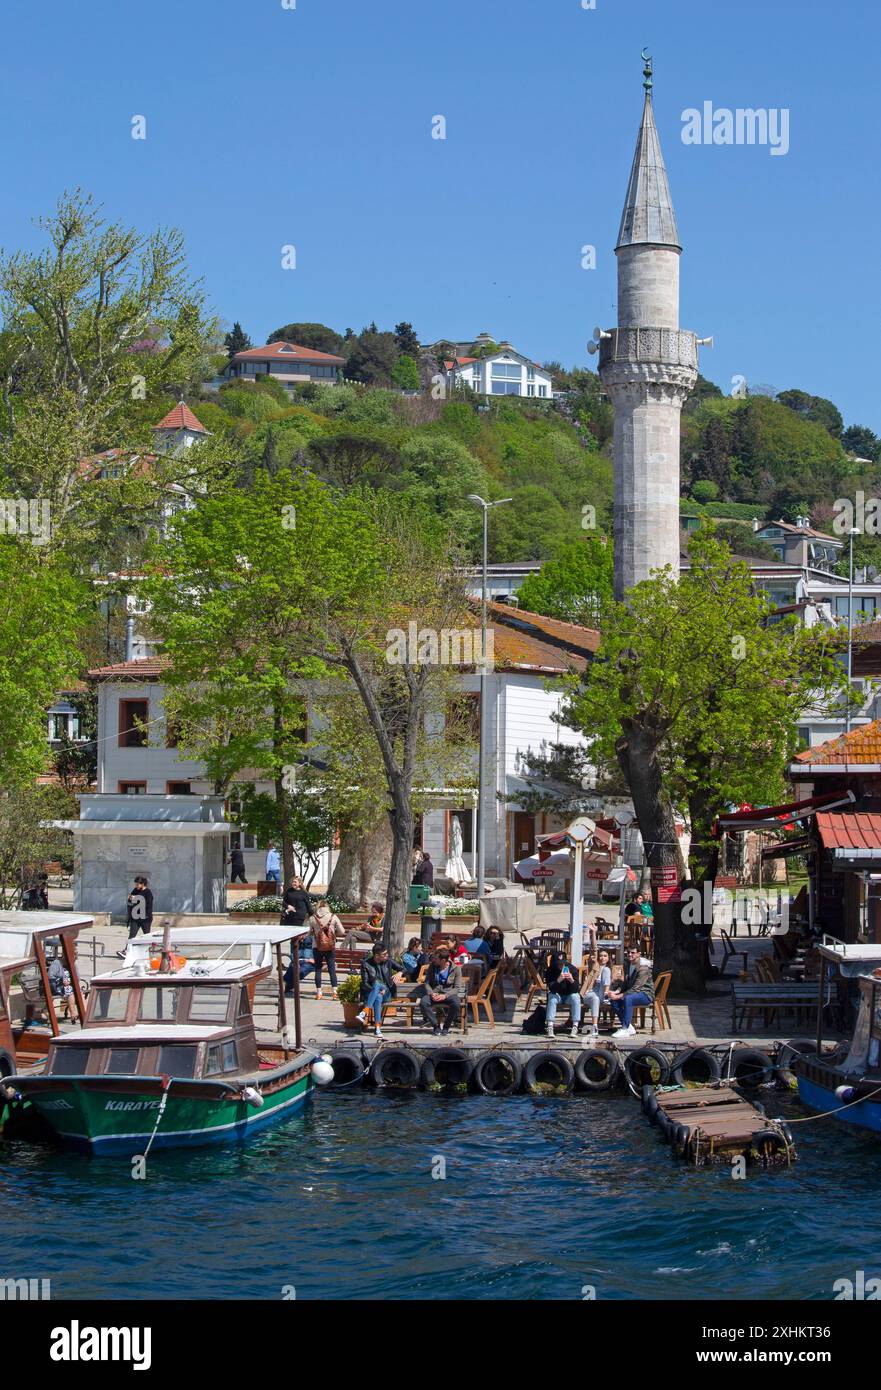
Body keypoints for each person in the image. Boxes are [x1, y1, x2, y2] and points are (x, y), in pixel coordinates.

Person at [607, 945, 655, 1038]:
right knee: (613, 1000)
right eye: (628, 952)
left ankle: (624, 1028)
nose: (630, 954)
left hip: (645, 994)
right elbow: (626, 982)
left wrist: (619, 995)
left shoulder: (643, 967)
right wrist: (616, 992)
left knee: (628, 998)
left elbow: (636, 988)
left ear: (638, 954)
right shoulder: (627, 963)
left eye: (633, 953)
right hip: (631, 992)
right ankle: (629, 1027)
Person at [357, 944, 398, 1038]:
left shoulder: (388, 961)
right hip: (372, 992)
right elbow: (365, 983)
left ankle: (365, 1011)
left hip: (387, 992)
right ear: (376, 956)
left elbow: (403, 969)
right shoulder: (366, 964)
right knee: (377, 992)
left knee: (377, 985)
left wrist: (400, 973)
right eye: (384, 954)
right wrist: (376, 990)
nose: (387, 955)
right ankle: (377, 1029)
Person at [420, 949, 462, 1034]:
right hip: (435, 993)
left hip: (448, 994)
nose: (433, 960)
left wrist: (446, 995)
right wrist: (431, 993)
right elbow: (427, 983)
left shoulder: (456, 969)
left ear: (443, 960)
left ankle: (446, 1027)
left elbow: (457, 988)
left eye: (436, 958)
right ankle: (435, 1026)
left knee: (456, 1004)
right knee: (424, 1002)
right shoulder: (432, 966)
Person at [310, 900, 343, 1000]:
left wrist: (315, 932)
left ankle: (319, 993)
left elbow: (308, 932)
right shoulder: (333, 916)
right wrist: (333, 933)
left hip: (317, 946)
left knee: (318, 969)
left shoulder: (312, 918)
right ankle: (335, 992)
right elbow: (342, 931)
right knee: (332, 969)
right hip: (330, 947)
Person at [545, 951, 582, 1038]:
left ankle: (575, 1026)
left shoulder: (572, 969)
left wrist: (572, 980)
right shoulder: (550, 971)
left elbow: (576, 989)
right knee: (552, 997)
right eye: (558, 964)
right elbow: (551, 988)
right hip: (557, 995)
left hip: (568, 995)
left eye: (562, 964)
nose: (561, 966)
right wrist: (559, 980)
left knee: (576, 997)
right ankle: (550, 1026)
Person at [580, 949, 612, 1039]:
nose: (603, 958)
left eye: (605, 956)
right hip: (590, 993)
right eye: (601, 956)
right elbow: (593, 950)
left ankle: (594, 1027)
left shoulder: (609, 969)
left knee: (606, 970)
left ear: (608, 958)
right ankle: (595, 1027)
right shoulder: (594, 967)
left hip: (601, 992)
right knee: (595, 999)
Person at [120, 876, 153, 955]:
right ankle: (126, 951)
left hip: (145, 918)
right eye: (136, 884)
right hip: (135, 917)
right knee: (132, 935)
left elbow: (148, 904)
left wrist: (138, 899)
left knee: (147, 936)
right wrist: (130, 898)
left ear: (142, 884)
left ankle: (148, 952)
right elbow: (130, 900)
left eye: (137, 884)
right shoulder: (135, 890)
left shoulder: (148, 892)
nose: (136, 886)